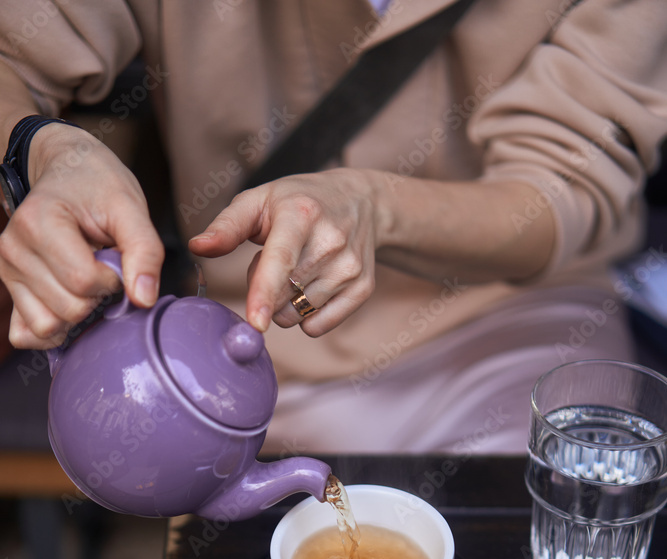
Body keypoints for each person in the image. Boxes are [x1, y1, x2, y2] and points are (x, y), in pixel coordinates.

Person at [0, 0, 665, 454]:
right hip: (255, 338)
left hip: (515, 319)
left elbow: (562, 186)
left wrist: (372, 207)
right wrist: (43, 149)